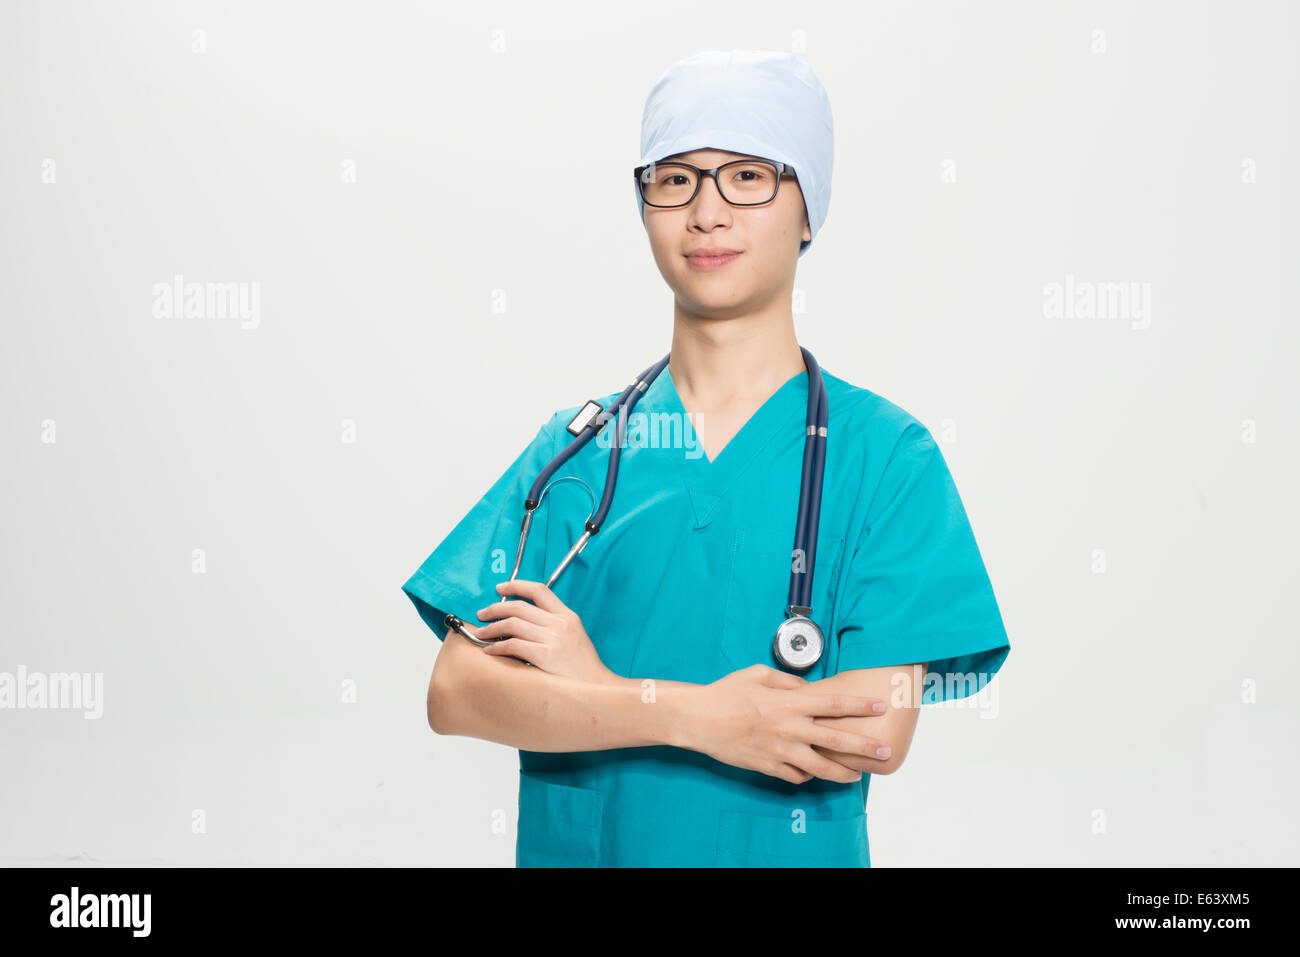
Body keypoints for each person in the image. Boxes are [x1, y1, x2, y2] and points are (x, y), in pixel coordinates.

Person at [401, 49, 1011, 867]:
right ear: (645, 202)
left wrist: (597, 688)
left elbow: (874, 725)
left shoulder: (885, 458)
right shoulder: (577, 452)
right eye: (676, 178)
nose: (708, 212)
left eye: (749, 176)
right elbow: (457, 692)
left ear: (807, 209)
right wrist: (696, 715)